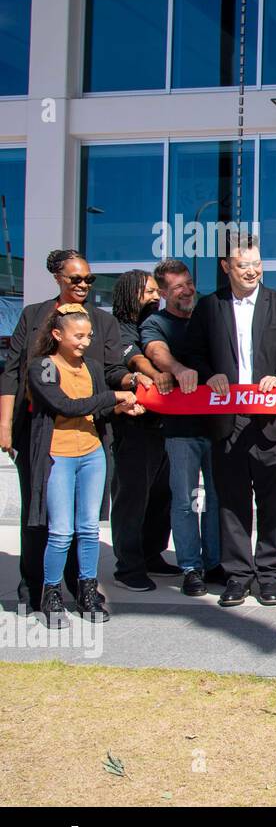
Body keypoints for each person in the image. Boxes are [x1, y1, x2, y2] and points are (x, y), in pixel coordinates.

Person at [1, 249, 131, 612]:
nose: (84, 285)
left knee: (84, 522)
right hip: (40, 433)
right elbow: (11, 373)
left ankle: (81, 585)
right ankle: (36, 586)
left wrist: (128, 383)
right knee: (41, 514)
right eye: (76, 278)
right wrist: (5, 426)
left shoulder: (102, 322)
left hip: (88, 437)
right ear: (57, 277)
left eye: (89, 279)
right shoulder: (34, 316)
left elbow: (111, 370)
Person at [182, 231, 276, 607]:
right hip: (227, 419)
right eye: (242, 265)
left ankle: (269, 575)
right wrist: (208, 374)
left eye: (255, 264)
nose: (251, 271)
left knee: (272, 501)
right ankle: (238, 575)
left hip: (271, 422)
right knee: (231, 501)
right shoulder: (209, 307)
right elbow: (194, 353)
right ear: (226, 268)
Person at [25, 304, 143, 626]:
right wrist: (113, 397)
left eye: (88, 336)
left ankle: (87, 593)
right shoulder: (43, 368)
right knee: (61, 531)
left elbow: (97, 410)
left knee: (89, 530)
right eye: (78, 336)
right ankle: (51, 596)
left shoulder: (91, 368)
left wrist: (121, 409)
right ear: (57, 334)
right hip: (58, 455)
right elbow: (65, 405)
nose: (84, 342)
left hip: (92, 454)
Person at [142, 259, 223, 596]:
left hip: (219, 424)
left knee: (220, 499)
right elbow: (153, 349)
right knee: (186, 500)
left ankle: (216, 561)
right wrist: (176, 368)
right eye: (178, 287)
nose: (187, 290)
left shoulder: (209, 313)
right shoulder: (156, 322)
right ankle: (191, 567)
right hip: (181, 430)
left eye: (189, 283)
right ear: (163, 293)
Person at [108, 270, 176, 592]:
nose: (154, 296)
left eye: (155, 291)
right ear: (128, 295)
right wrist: (158, 373)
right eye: (147, 291)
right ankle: (128, 567)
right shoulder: (115, 328)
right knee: (132, 498)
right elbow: (134, 359)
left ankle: (152, 554)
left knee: (161, 496)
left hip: (162, 426)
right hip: (132, 426)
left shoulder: (157, 324)